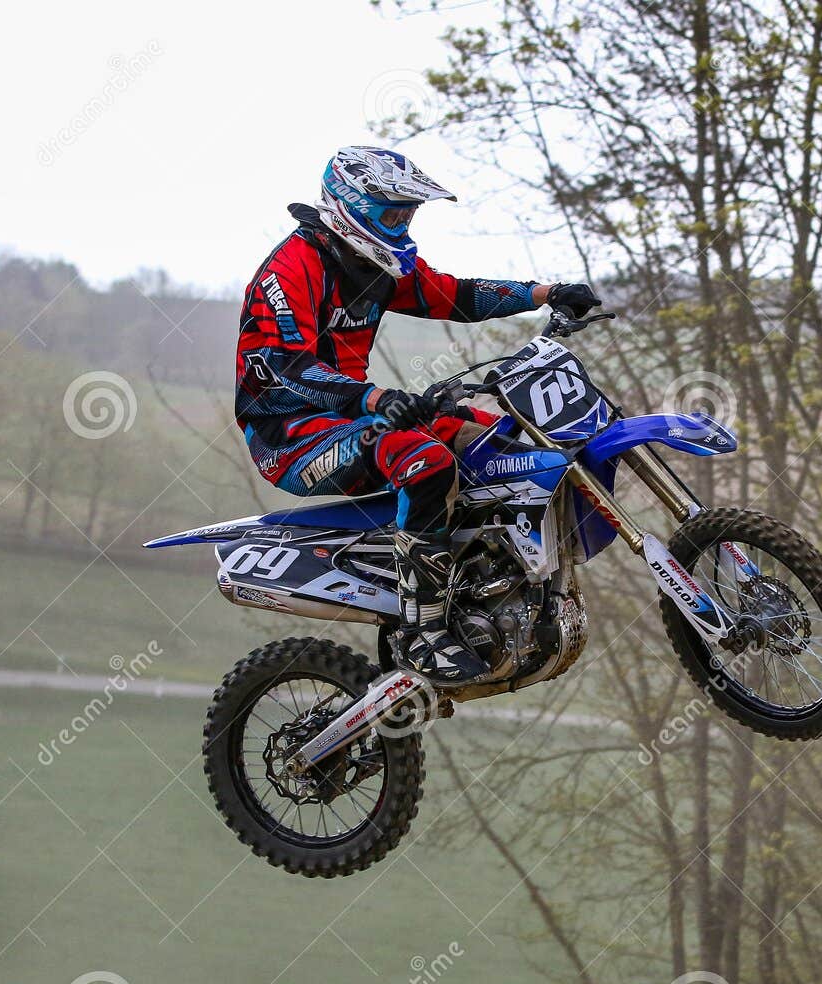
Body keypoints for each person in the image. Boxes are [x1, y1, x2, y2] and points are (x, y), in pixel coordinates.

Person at [235, 146, 600, 684]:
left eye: (408, 214)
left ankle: (478, 592)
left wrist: (544, 293)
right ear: (351, 207)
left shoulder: (376, 264)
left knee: (494, 442)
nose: (403, 226)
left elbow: (453, 296)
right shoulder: (292, 268)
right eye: (393, 214)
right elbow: (286, 367)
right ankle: (421, 629)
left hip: (357, 418)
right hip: (290, 433)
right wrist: (376, 399)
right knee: (423, 460)